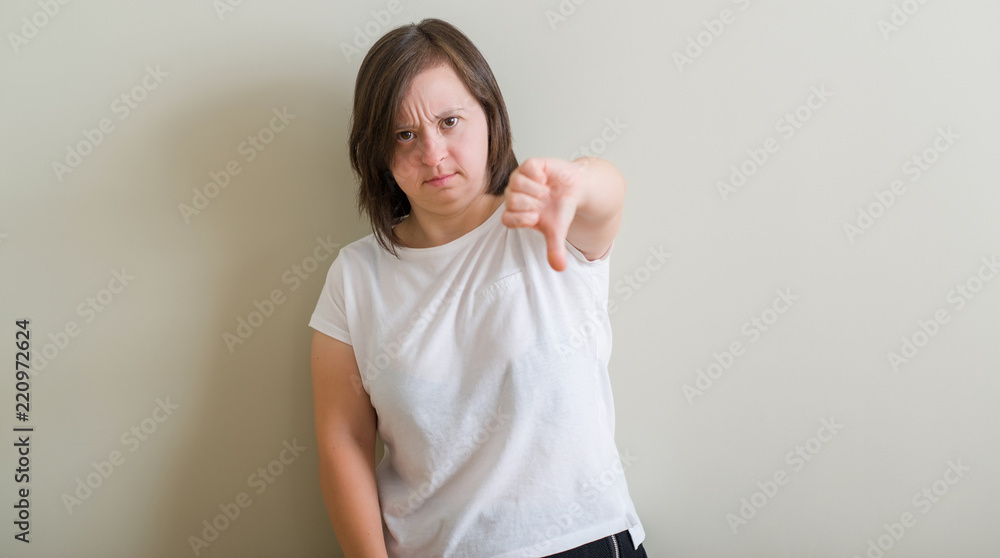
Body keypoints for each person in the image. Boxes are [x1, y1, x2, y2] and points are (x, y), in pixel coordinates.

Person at [308, 18, 647, 558]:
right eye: (405, 134)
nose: (433, 155)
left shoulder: (547, 219)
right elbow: (343, 441)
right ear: (378, 151)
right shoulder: (354, 276)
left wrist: (578, 180)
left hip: (581, 540)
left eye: (449, 122)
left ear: (490, 115)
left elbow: (606, 192)